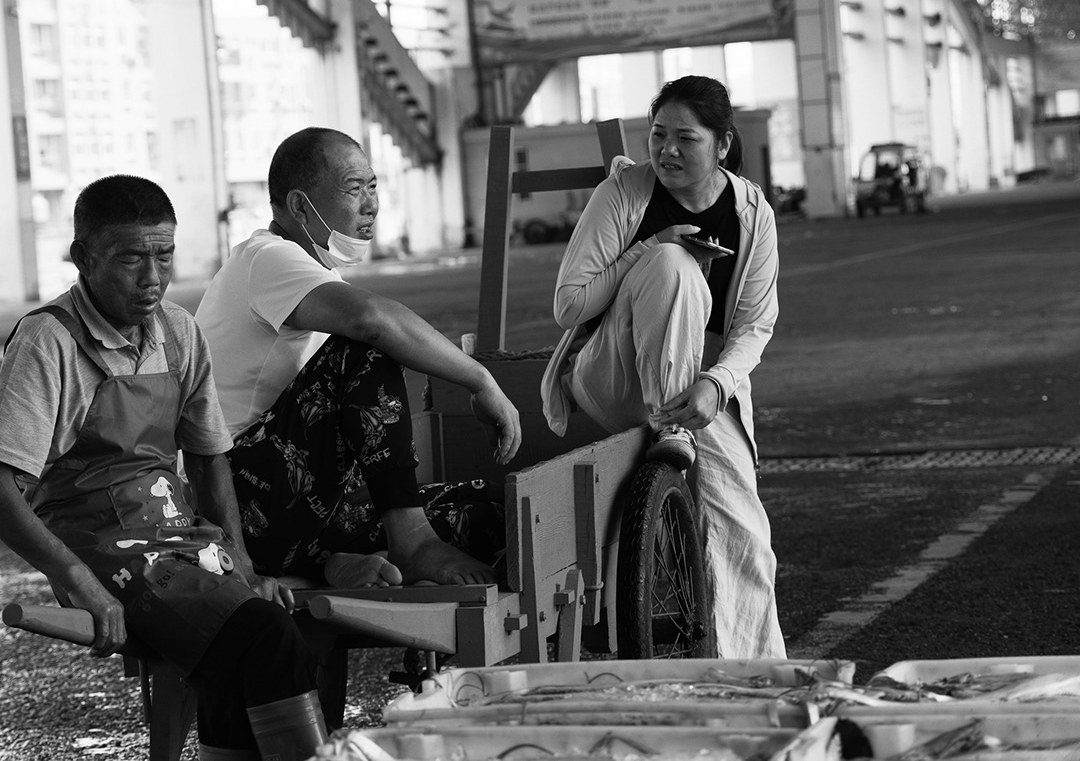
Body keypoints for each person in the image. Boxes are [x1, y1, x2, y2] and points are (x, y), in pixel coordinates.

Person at [0, 175, 326, 761]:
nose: (152, 277)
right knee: (263, 639)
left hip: (177, 534)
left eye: (164, 255)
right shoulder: (47, 341)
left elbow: (208, 459)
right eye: (131, 258)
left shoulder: (178, 331)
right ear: (83, 257)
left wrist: (242, 564)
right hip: (99, 549)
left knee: (260, 633)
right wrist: (79, 583)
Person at [195, 127, 522, 589]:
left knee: (486, 512)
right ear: (300, 207)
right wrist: (481, 381)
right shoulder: (265, 259)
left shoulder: (315, 276)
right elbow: (374, 321)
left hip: (302, 508)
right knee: (366, 347)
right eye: (354, 188)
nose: (371, 205)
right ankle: (409, 543)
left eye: (372, 186)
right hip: (245, 503)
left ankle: (333, 562)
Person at [540, 75, 786, 659]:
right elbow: (568, 306)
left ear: (722, 145)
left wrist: (715, 384)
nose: (667, 150)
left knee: (746, 537)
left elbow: (754, 326)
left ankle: (749, 685)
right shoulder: (624, 193)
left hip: (696, 391)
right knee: (675, 264)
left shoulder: (753, 214)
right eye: (657, 135)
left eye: (685, 138)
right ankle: (673, 434)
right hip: (613, 376)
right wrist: (650, 248)